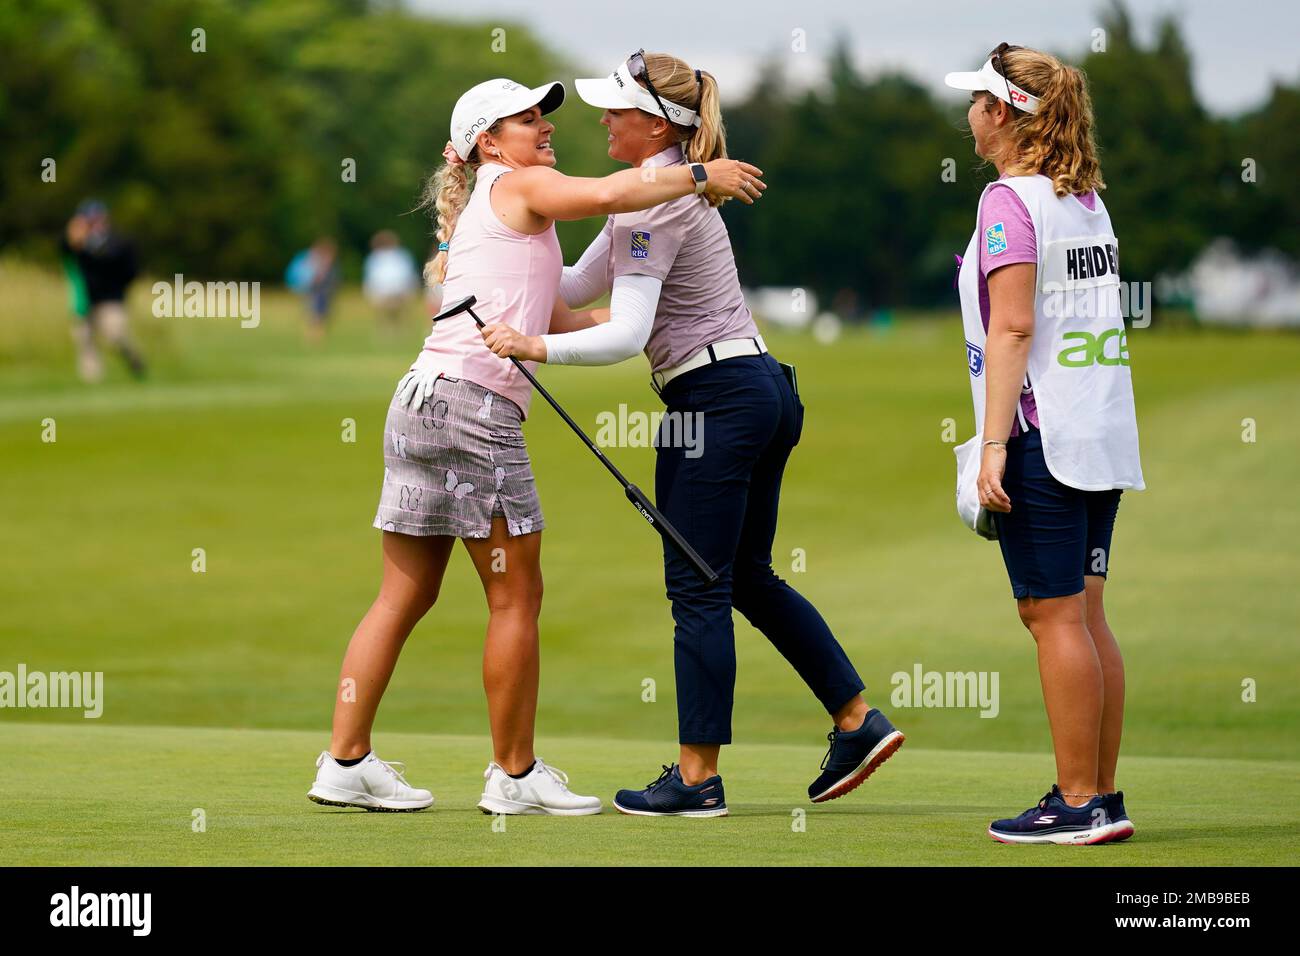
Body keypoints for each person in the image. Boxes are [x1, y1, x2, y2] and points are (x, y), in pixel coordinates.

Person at [307, 76, 764, 815]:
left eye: (543, 118)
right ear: (489, 142)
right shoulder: (519, 185)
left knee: (404, 592)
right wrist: (702, 172)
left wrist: (645, 315)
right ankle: (514, 776)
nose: (543, 128)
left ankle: (345, 760)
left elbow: (557, 314)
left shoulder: (505, 206)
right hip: (473, 410)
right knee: (515, 595)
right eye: (526, 120)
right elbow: (615, 197)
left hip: (419, 399)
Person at [479, 51, 903, 817]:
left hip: (714, 401)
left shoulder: (650, 205)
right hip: (760, 388)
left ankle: (697, 777)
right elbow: (571, 288)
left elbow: (624, 331)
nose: (602, 119)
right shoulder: (647, 193)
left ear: (656, 124)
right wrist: (492, 262)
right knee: (744, 577)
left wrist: (532, 347)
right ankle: (855, 719)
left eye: (615, 109)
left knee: (697, 588)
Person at [945, 43, 1144, 843]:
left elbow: (1014, 327)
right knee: (1088, 612)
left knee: (1051, 614)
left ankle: (1076, 802)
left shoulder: (1009, 201)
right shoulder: (1085, 197)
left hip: (1043, 432)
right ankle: (1100, 792)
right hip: (1099, 428)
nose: (967, 113)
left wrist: (993, 445)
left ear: (1003, 113)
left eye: (976, 101)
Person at [59, 200, 146, 382]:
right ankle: (93, 380)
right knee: (85, 340)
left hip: (110, 298)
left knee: (115, 335)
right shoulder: (76, 243)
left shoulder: (118, 242)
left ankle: (133, 358)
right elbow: (65, 253)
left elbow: (127, 268)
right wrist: (75, 241)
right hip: (84, 300)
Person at [363, 230, 420, 326]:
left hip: (400, 289)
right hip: (381, 290)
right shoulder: (374, 258)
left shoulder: (402, 255)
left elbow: (409, 274)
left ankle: (401, 326)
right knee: (382, 305)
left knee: (402, 304)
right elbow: (370, 278)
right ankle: (385, 327)